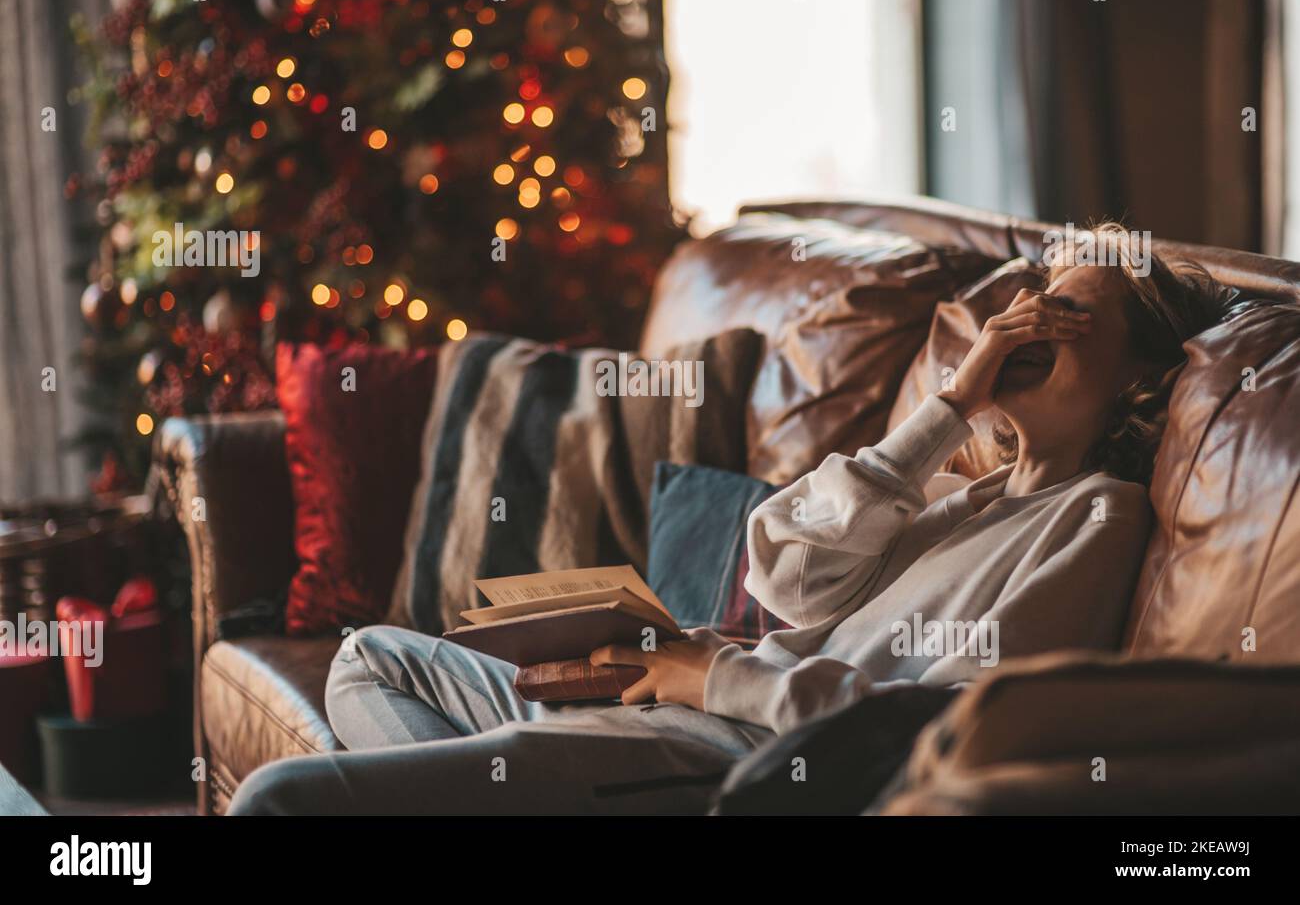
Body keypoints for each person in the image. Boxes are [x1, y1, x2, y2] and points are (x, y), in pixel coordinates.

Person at [229, 224, 1219, 815]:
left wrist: (716, 671)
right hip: (675, 702)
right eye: (1034, 302)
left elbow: (934, 726)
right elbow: (784, 573)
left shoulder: (1098, 516)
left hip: (731, 756)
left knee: (280, 800)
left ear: (1142, 377)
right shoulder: (958, 492)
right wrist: (945, 412)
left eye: (1071, 317)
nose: (1027, 325)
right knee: (371, 656)